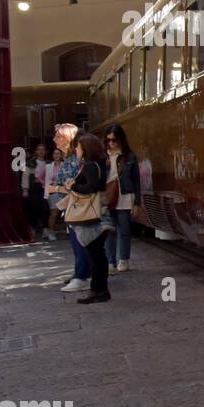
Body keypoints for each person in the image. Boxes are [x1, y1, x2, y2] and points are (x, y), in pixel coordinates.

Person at [67, 132, 112, 305]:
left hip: (92, 214)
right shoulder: (96, 164)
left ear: (85, 148)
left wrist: (74, 185)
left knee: (95, 254)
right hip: (99, 212)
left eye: (78, 146)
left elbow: (91, 188)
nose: (76, 149)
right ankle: (100, 289)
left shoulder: (90, 166)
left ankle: (98, 290)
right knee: (98, 253)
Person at [49, 123, 89, 293]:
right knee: (76, 242)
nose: (54, 139)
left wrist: (55, 189)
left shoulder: (74, 160)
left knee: (79, 242)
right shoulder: (70, 159)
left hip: (78, 206)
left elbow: (75, 186)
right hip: (72, 206)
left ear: (67, 139)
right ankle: (80, 274)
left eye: (58, 136)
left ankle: (81, 277)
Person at [103, 124, 139, 273]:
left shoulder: (129, 156)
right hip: (108, 197)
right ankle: (110, 262)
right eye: (108, 140)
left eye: (114, 140)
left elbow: (136, 180)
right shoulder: (103, 156)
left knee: (124, 230)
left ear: (120, 139)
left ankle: (124, 260)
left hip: (125, 197)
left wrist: (137, 203)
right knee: (109, 230)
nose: (111, 143)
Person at [21, 142, 52, 240]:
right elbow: (25, 176)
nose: (41, 152)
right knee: (33, 209)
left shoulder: (49, 163)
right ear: (36, 151)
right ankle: (33, 229)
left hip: (45, 188)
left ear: (46, 152)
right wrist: (25, 189)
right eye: (39, 149)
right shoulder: (31, 163)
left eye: (43, 150)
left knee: (45, 209)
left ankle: (45, 229)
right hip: (34, 188)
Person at [43, 147, 66, 239]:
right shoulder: (48, 166)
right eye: (55, 154)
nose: (56, 155)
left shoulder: (65, 165)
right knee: (54, 213)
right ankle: (51, 232)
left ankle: (69, 230)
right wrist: (46, 189)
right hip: (53, 191)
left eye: (58, 154)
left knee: (66, 212)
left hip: (64, 190)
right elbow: (42, 178)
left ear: (61, 155)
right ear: (52, 156)